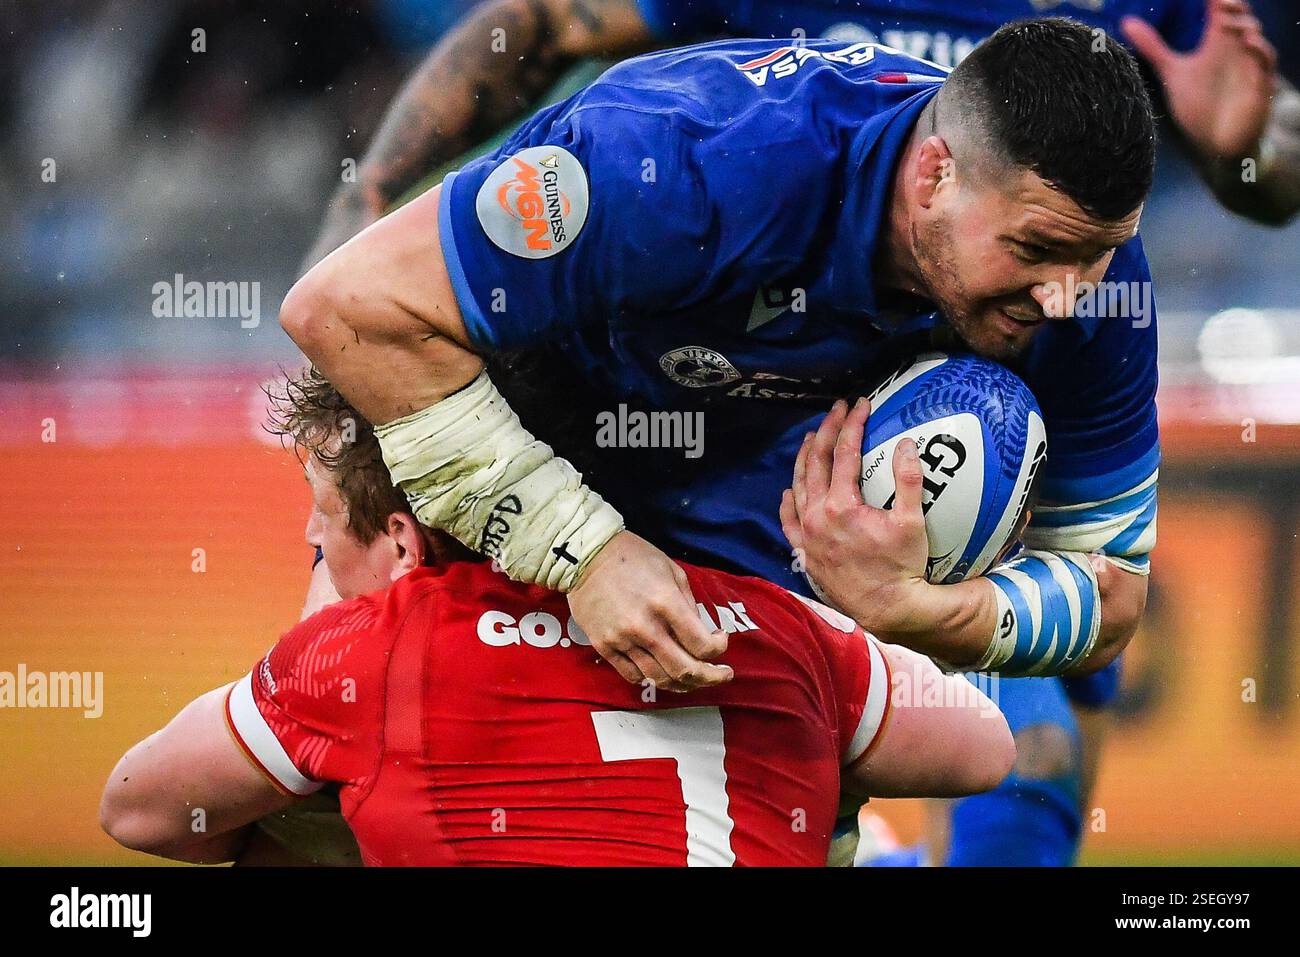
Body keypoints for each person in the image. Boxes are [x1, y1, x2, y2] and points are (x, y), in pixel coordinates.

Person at [280, 19, 1159, 864]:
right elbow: (345, 308)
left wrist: (913, 612)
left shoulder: (1090, 277)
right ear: (933, 176)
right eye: (1038, 249)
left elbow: (1111, 586)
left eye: (1098, 256)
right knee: (321, 816)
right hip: (515, 435)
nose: (1069, 297)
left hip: (755, 524)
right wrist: (584, 552)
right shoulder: (688, 157)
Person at [98, 370, 1013, 866]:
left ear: (406, 543)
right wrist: (871, 614)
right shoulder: (778, 626)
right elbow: (983, 749)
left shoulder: (366, 654)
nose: (310, 539)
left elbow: (141, 811)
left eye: (322, 529)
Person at [303, 0, 1296, 271]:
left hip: (1012, 379)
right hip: (754, 379)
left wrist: (1241, 149)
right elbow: (549, 20)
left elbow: (1272, 179)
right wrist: (373, 190)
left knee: (1026, 759)